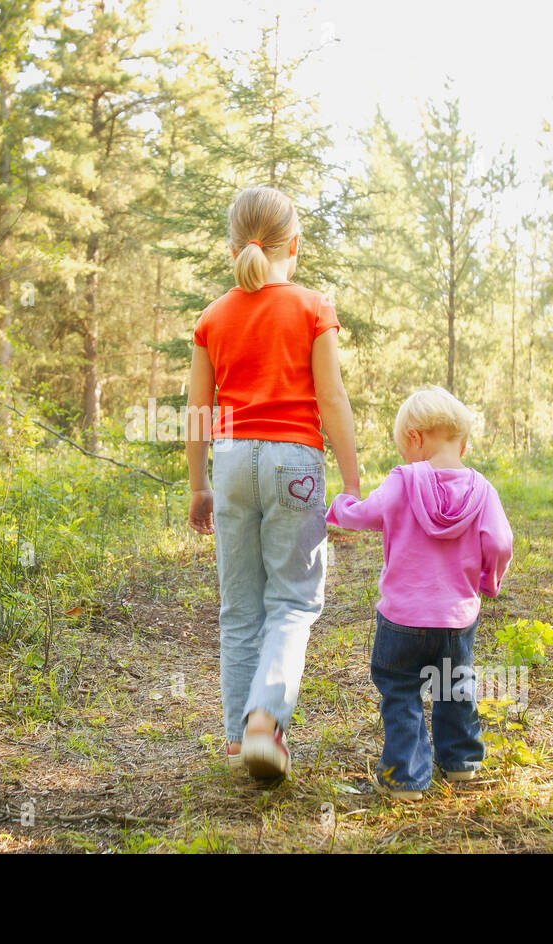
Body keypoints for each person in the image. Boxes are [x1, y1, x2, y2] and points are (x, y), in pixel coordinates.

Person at [185, 185, 361, 780]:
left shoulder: (212, 316)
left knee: (239, 608)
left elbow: (197, 411)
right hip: (295, 464)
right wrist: (353, 481)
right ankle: (265, 721)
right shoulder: (314, 307)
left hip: (231, 463)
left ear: (234, 246)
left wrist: (196, 486)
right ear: (296, 245)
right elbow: (331, 400)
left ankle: (241, 741)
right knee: (291, 601)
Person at [325, 386, 513, 800]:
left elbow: (365, 514)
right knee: (454, 685)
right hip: (456, 619)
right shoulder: (483, 490)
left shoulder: (403, 480)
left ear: (414, 438)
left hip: (402, 619)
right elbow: (500, 542)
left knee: (400, 690)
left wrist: (340, 506)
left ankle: (406, 778)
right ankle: (461, 761)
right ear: (461, 441)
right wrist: (488, 581)